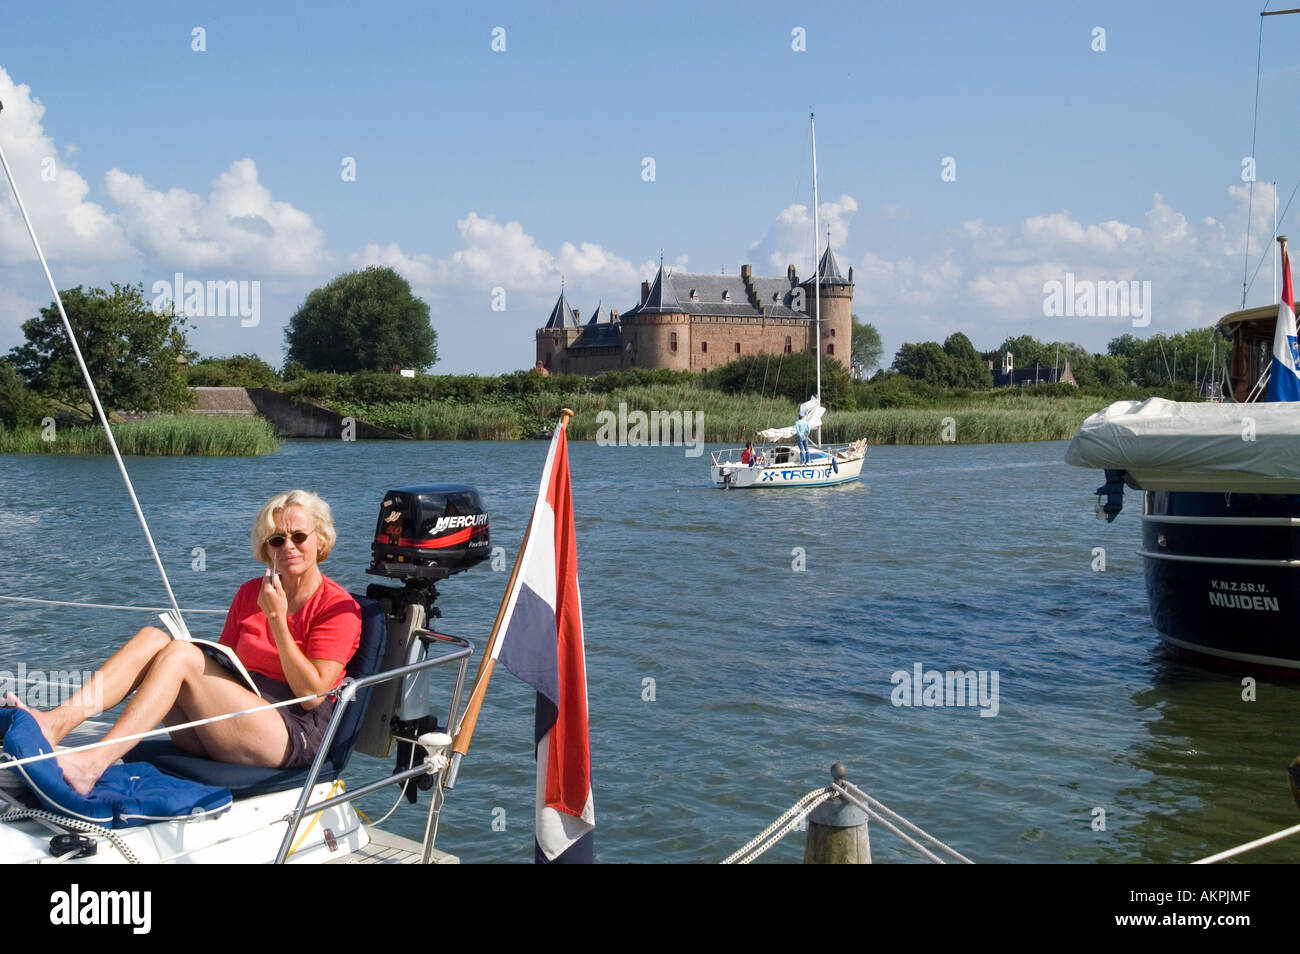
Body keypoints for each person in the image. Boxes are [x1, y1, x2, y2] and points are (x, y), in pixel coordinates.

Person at [3, 490, 361, 796]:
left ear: (321, 540)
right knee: (154, 638)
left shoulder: (337, 607)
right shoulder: (251, 592)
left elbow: (313, 693)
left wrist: (277, 621)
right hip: (235, 720)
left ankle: (93, 762)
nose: (289, 547)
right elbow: (225, 664)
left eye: (299, 537)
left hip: (290, 733)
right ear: (266, 548)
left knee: (180, 655)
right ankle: (56, 724)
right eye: (277, 540)